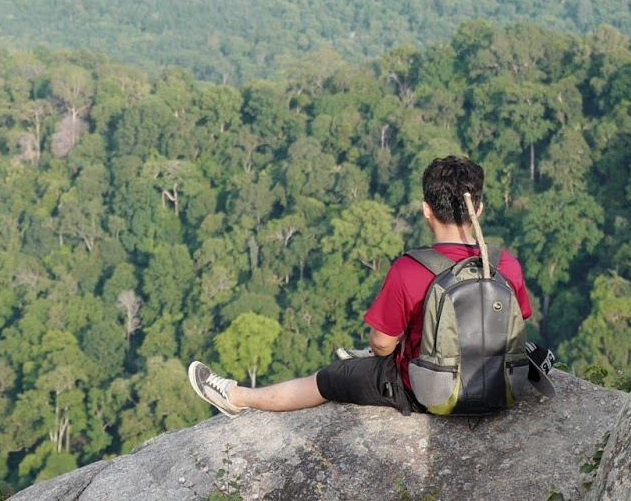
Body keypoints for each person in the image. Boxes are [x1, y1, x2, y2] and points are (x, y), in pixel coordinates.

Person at [187, 155, 533, 417]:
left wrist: (384, 351)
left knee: (331, 377)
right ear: (481, 208)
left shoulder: (410, 269)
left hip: (427, 391)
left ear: (427, 210)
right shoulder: (505, 264)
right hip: (498, 386)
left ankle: (236, 397)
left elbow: (383, 346)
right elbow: (517, 329)